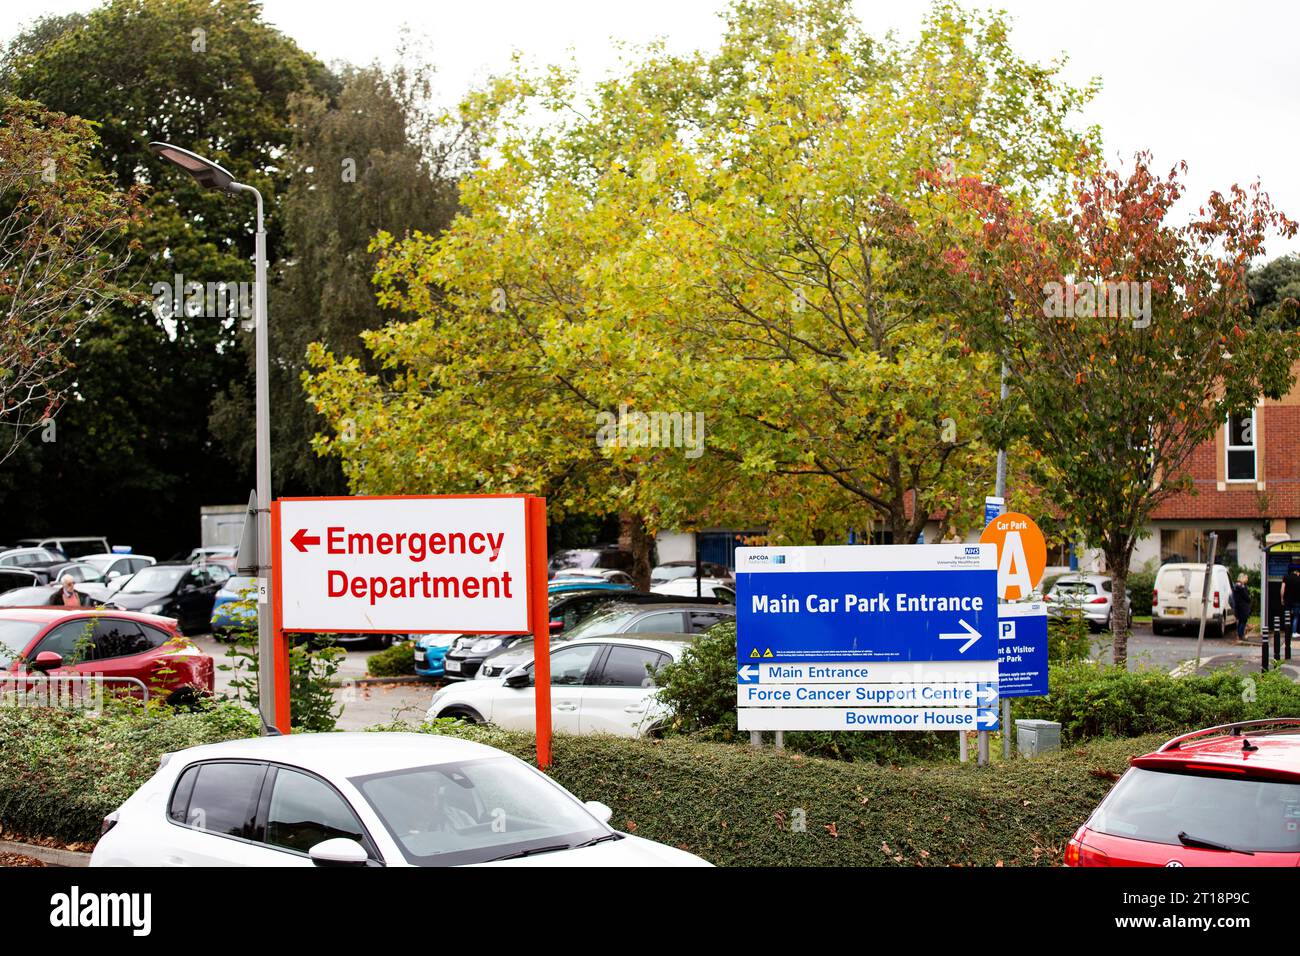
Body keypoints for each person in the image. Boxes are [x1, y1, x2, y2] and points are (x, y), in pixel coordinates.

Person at [1231, 572, 1251, 642]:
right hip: (1243, 607)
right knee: (1243, 621)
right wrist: (1249, 599)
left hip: (1238, 606)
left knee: (1240, 621)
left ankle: (1239, 634)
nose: (1247, 579)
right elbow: (1246, 597)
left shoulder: (1235, 587)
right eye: (1246, 578)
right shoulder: (1242, 588)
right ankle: (1241, 635)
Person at [1282, 562, 1300, 640]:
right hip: (1297, 601)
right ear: (1297, 571)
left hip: (1288, 600)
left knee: (1287, 616)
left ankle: (1287, 632)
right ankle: (1294, 632)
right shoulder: (1299, 578)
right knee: (1296, 616)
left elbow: (1282, 589)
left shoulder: (1286, 577)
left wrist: (1282, 598)